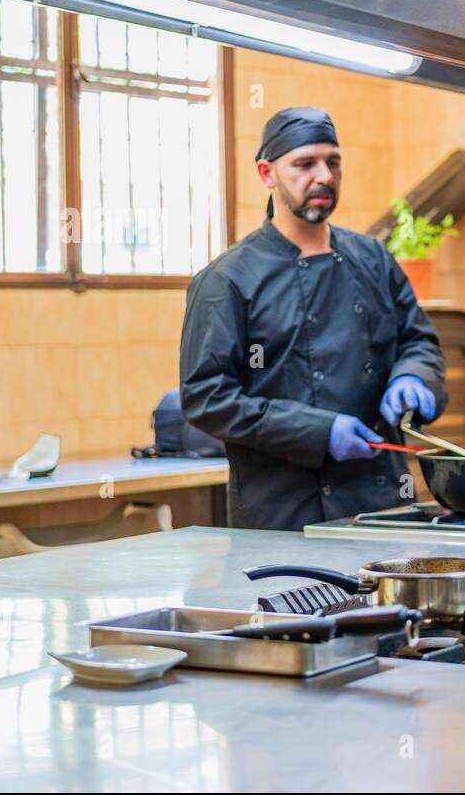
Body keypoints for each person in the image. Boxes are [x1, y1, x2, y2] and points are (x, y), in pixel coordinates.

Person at [180, 107, 447, 530]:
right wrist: (317, 432)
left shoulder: (372, 258)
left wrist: (414, 376)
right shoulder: (227, 279)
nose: (323, 175)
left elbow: (418, 341)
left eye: (332, 162)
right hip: (283, 517)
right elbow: (207, 397)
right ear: (267, 173)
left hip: (383, 506)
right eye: (305, 164)